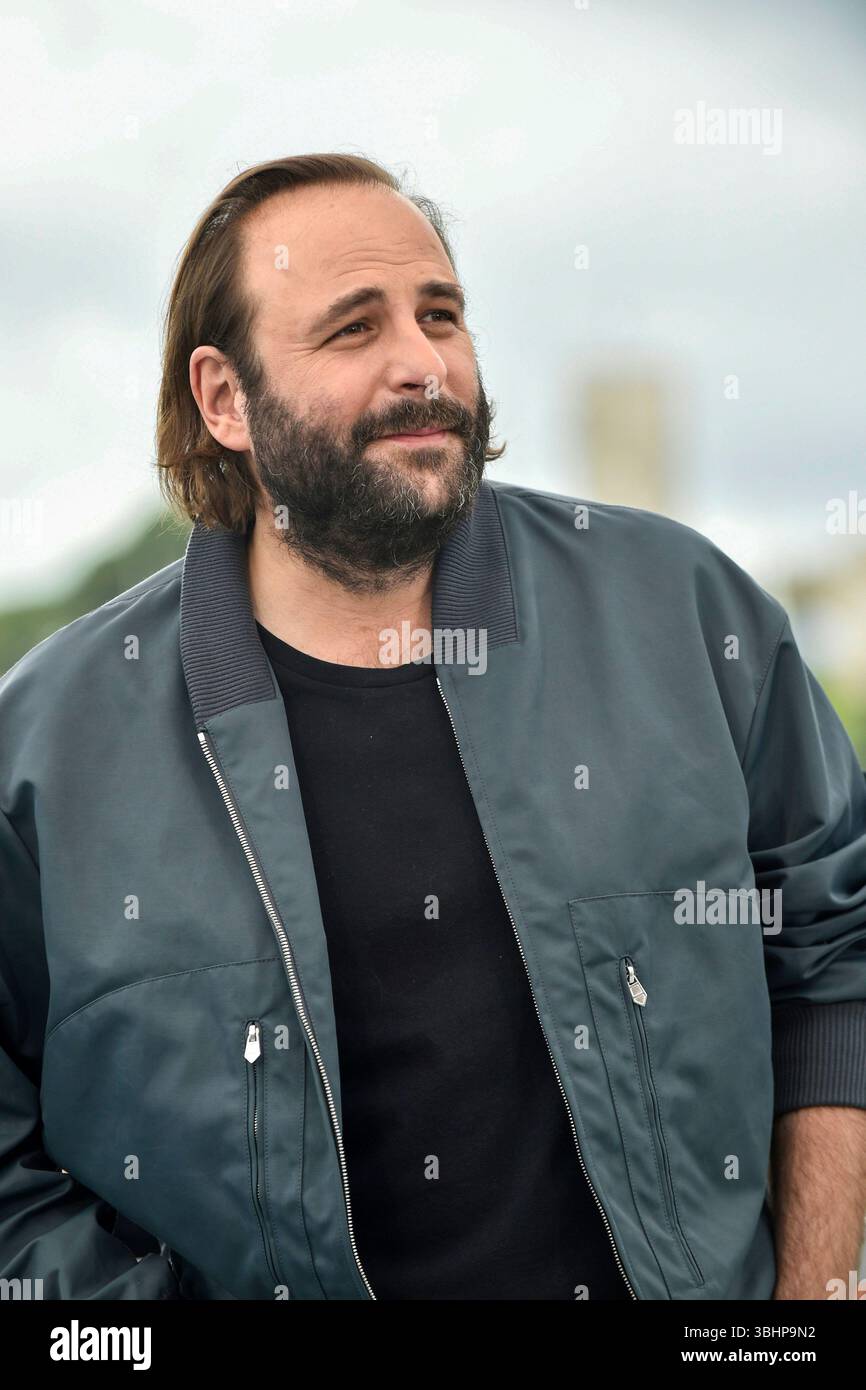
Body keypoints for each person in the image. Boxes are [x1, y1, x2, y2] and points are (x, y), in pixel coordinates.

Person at [1, 153, 864, 1301]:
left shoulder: (684, 614)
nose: (422, 363)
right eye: (353, 329)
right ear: (224, 400)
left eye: (440, 314)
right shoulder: (48, 749)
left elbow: (831, 956)